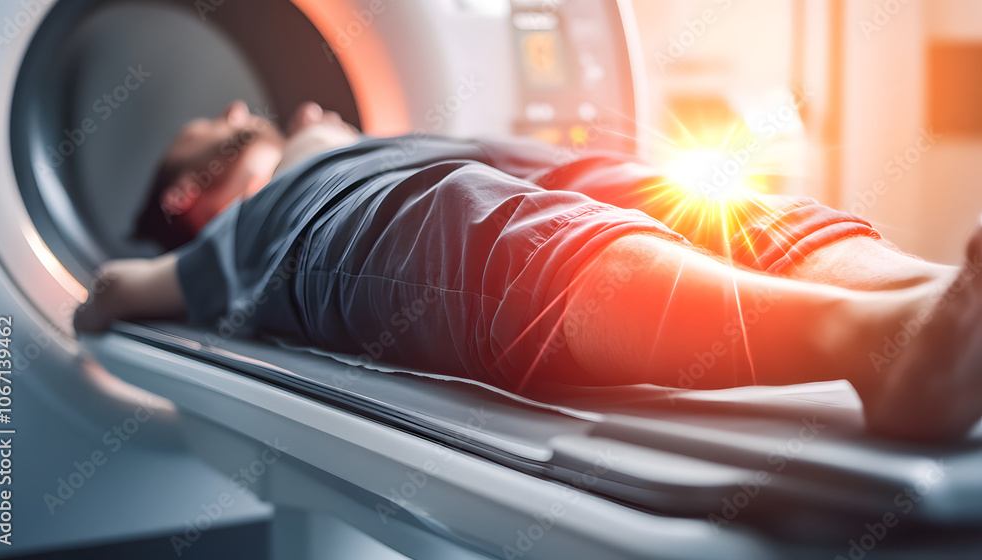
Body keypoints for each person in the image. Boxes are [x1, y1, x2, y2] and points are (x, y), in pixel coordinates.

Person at [73, 100, 982, 443]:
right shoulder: (236, 234)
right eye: (222, 128)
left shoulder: (319, 143)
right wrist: (303, 150)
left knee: (671, 195)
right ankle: (873, 341)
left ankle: (927, 290)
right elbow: (122, 290)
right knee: (474, 226)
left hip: (447, 148)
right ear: (191, 193)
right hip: (328, 205)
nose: (236, 109)